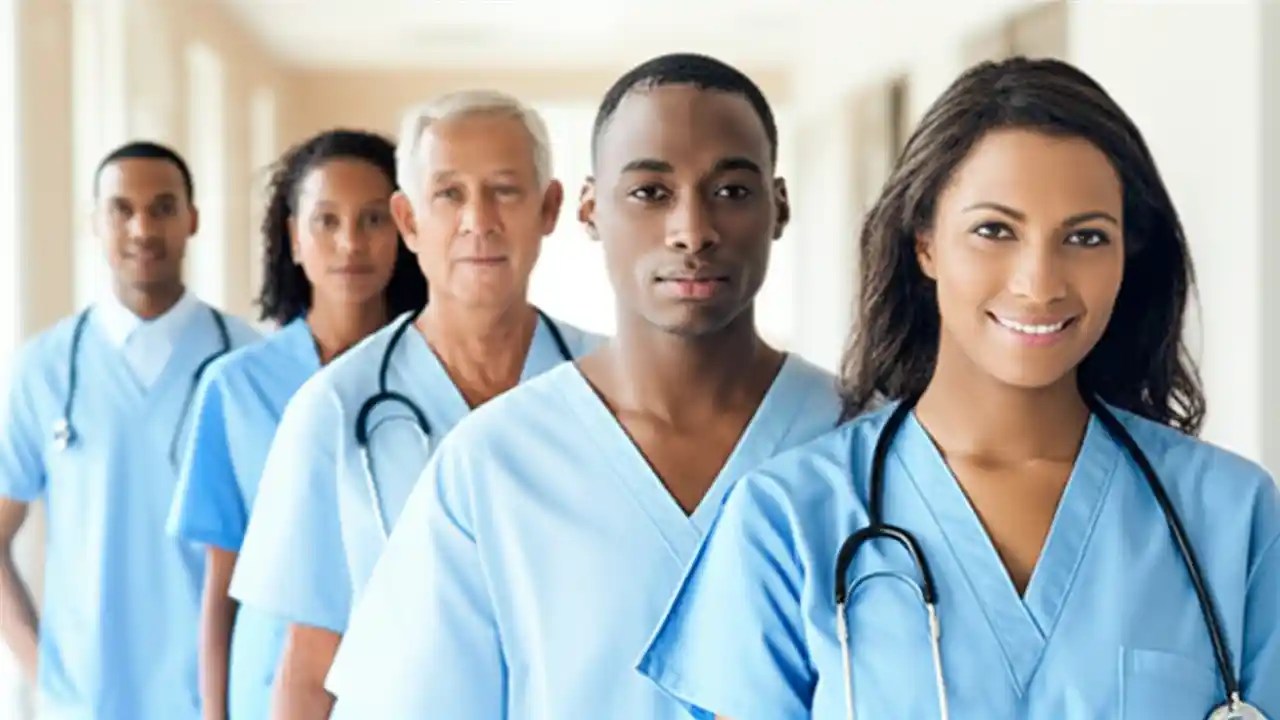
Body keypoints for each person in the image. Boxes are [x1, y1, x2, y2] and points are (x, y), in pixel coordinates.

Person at [636, 56, 1280, 720]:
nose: (1039, 281)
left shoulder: (1231, 516)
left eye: (1086, 237)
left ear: (1129, 257)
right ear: (925, 244)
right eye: (994, 231)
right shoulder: (791, 519)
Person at [324, 52, 841, 719]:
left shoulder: (862, 444)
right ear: (591, 210)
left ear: (780, 207)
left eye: (732, 191)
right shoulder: (492, 465)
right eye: (651, 192)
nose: (693, 231)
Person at [227, 90, 601, 719]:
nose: (477, 220)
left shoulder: (612, 389)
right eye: (449, 194)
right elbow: (312, 659)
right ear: (408, 220)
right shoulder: (335, 408)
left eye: (505, 190)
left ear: (549, 208)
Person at [165, 130, 427, 720]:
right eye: (326, 221)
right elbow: (220, 584)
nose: (350, 243)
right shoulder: (235, 386)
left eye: (373, 220)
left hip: (410, 680)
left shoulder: (440, 372)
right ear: (294, 237)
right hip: (269, 686)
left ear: (405, 230)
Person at [0, 141, 260, 719]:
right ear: (96, 222)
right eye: (121, 209)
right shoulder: (45, 369)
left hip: (213, 703)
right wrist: (46, 674)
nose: (142, 227)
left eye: (163, 207)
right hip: (84, 705)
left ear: (192, 220)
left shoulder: (247, 365)